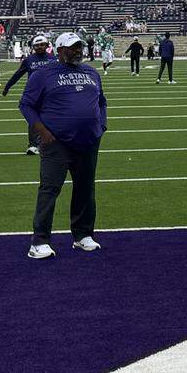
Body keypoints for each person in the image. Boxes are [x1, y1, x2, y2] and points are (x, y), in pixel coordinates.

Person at [21, 32, 108, 260]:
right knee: (49, 190)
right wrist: (42, 131)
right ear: (59, 50)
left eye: (79, 46)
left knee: (85, 188)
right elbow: (26, 105)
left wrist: (102, 125)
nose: (77, 51)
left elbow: (102, 101)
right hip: (56, 142)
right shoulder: (43, 74)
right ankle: (39, 241)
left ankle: (82, 235)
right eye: (72, 48)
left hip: (88, 141)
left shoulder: (91, 72)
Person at [3, 35, 57, 154]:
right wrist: (7, 86)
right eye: (36, 45)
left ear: (47, 45)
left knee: (51, 118)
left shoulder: (53, 59)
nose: (39, 47)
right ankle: (33, 145)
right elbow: (18, 74)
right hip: (34, 94)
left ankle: (50, 142)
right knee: (33, 119)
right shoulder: (29, 60)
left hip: (50, 93)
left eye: (42, 44)